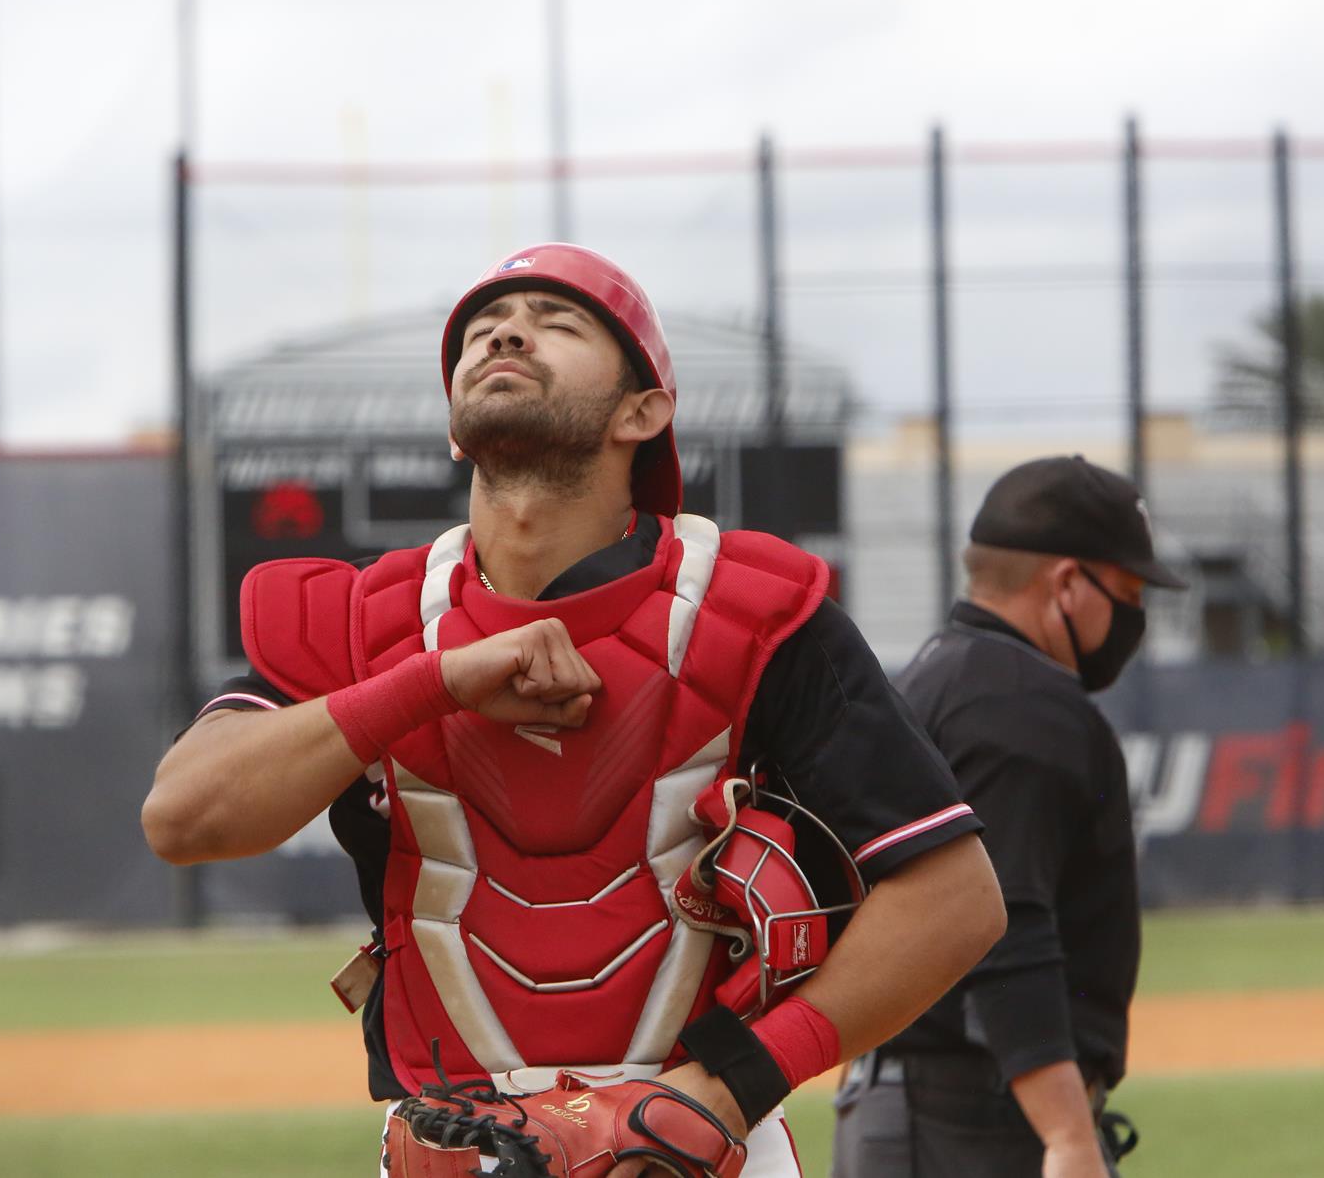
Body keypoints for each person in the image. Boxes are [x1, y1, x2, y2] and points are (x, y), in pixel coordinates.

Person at [144, 243, 1005, 1175]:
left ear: (645, 411)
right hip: (454, 1142)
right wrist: (432, 681)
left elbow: (955, 898)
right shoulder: (361, 619)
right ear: (454, 425)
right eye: (483, 330)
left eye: (557, 323)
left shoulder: (752, 612)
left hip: (695, 1143)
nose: (507, 334)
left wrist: (732, 1087)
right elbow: (183, 818)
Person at [830, 455, 1183, 1178]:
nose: (1135, 613)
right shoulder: (1018, 705)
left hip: (922, 1105)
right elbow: (1005, 925)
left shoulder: (944, 671)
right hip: (970, 1121)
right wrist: (1068, 1133)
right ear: (1067, 583)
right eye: (1127, 590)